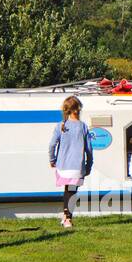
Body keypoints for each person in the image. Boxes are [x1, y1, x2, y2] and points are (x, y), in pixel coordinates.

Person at [47, 95, 93, 229]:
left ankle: (65, 216)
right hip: (76, 166)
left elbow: (51, 145)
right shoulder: (83, 126)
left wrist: (52, 159)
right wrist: (88, 165)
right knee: (72, 192)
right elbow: (89, 149)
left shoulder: (61, 126)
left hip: (63, 166)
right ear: (77, 109)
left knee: (67, 190)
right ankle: (68, 218)